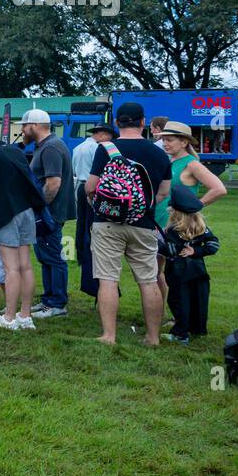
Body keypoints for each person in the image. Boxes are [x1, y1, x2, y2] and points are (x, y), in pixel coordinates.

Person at [84, 101, 172, 347]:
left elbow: (91, 187)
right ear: (143, 122)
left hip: (107, 223)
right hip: (144, 223)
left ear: (117, 123)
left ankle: (109, 336)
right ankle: (152, 337)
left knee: (108, 279)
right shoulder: (159, 152)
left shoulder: (105, 149)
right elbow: (164, 191)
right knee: (148, 279)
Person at [0, 124, 45, 330]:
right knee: (25, 266)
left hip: (5, 214)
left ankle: (9, 318)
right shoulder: (16, 151)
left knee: (11, 268)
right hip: (27, 212)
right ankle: (25, 315)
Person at [21, 110, 74, 319]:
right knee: (45, 256)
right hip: (47, 213)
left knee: (53, 257)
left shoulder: (50, 147)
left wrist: (40, 207)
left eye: (24, 126)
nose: (22, 130)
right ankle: (48, 300)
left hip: (49, 213)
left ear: (35, 125)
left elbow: (53, 184)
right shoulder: (46, 145)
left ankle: (57, 304)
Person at [160, 184, 220, 344]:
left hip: (179, 274)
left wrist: (158, 243)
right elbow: (214, 245)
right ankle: (197, 329)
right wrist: (197, 251)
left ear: (175, 214)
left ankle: (181, 334)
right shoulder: (202, 228)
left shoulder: (172, 232)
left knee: (179, 302)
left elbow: (170, 252)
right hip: (199, 272)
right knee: (197, 300)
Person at [73, 122, 116, 299]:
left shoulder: (78, 148)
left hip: (80, 186)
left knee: (82, 226)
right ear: (102, 134)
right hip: (93, 188)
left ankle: (82, 254)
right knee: (92, 227)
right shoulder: (99, 149)